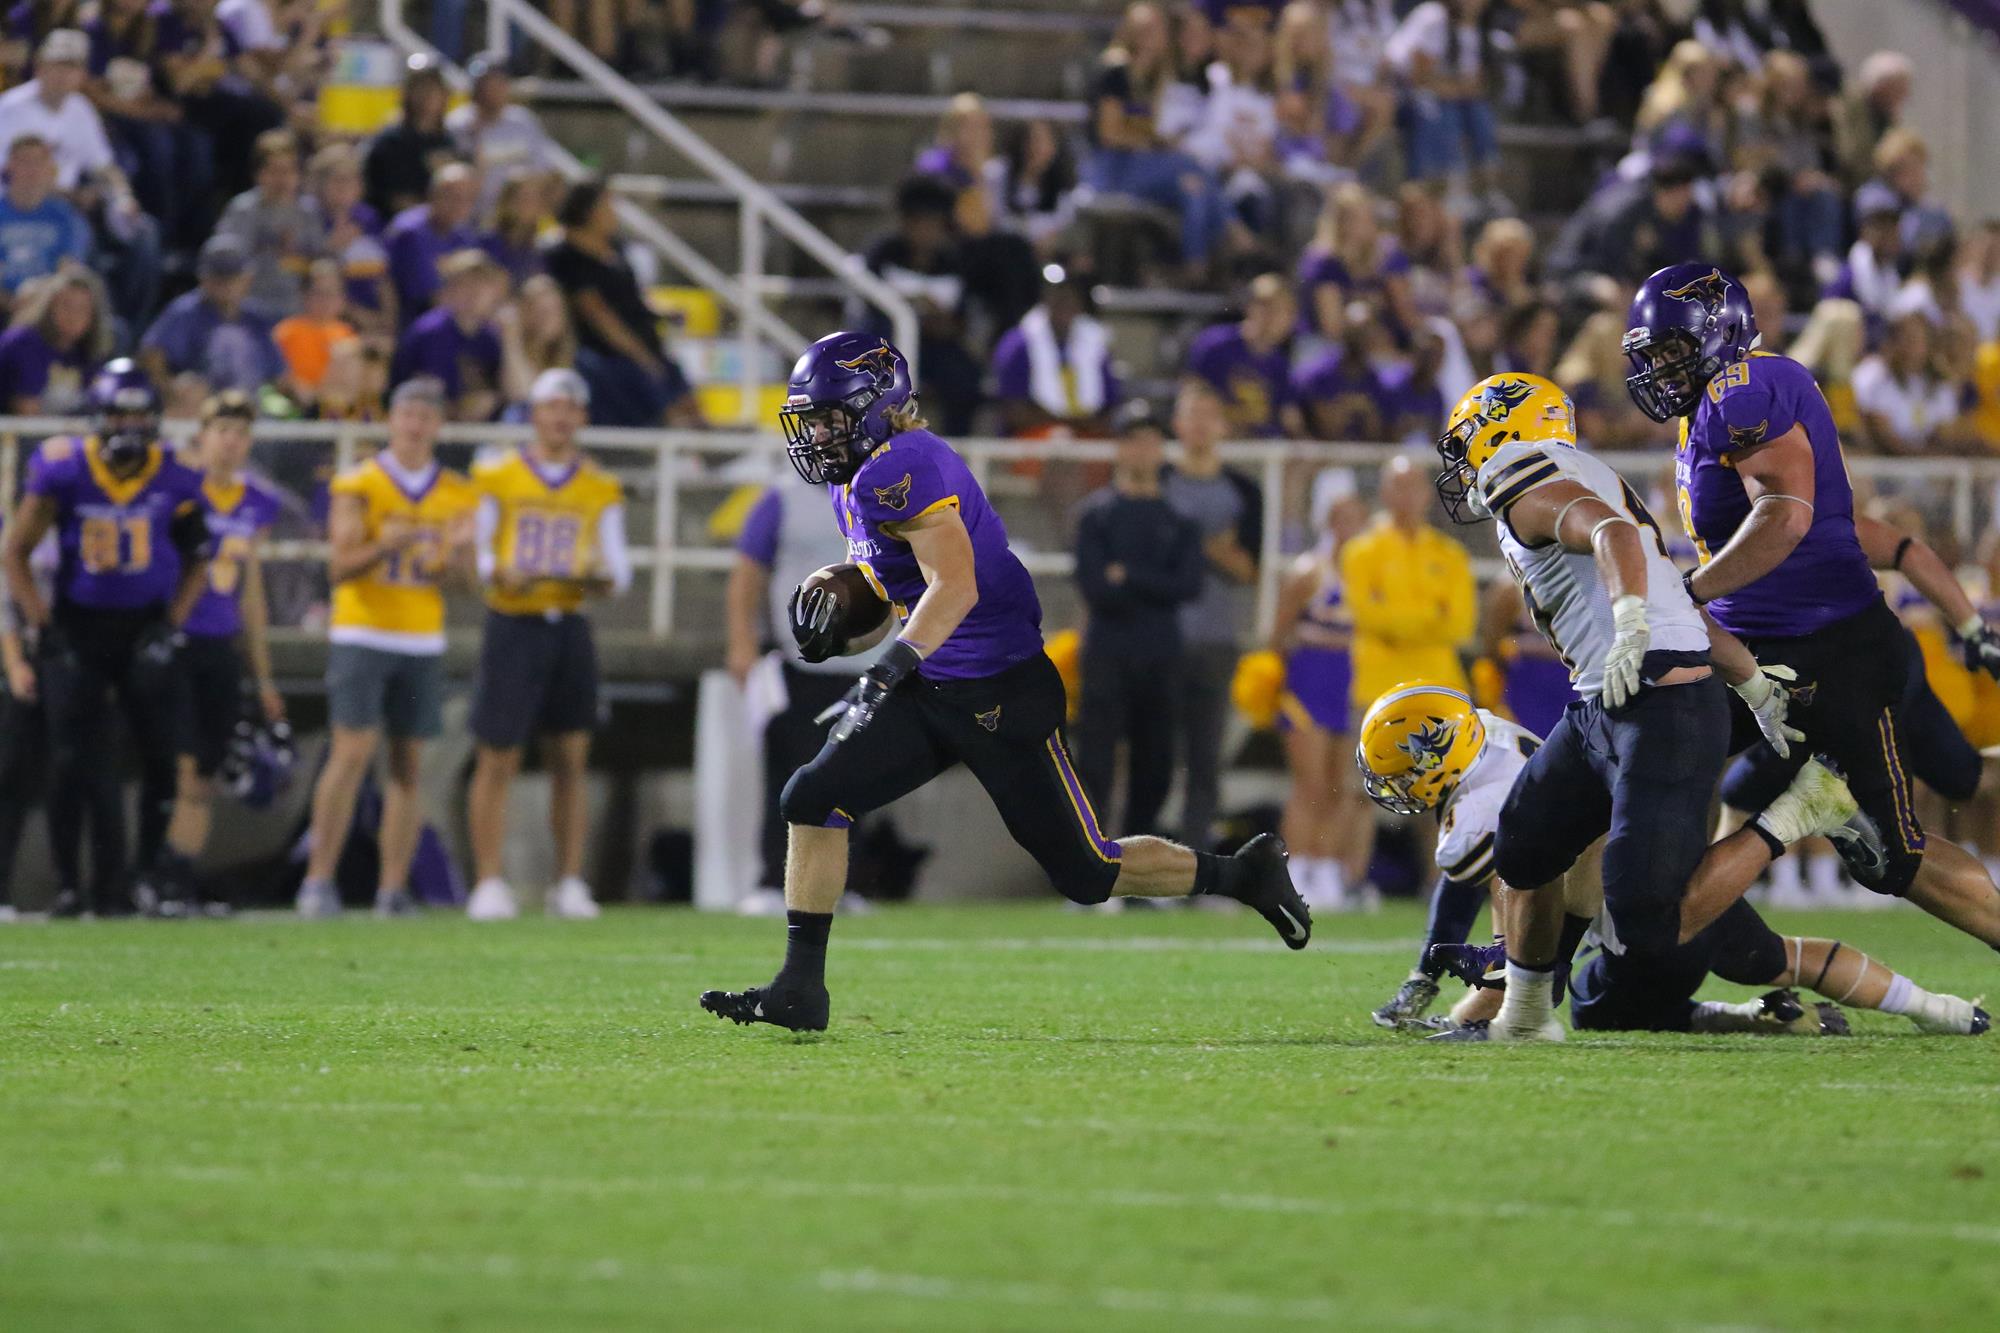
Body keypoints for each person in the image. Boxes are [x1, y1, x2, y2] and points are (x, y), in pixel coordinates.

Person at [699, 332, 1313, 1032]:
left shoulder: (902, 465)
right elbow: (896, 593)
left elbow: (953, 586)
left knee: (1087, 871)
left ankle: (1242, 874)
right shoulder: (858, 479)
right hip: (935, 681)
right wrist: (842, 628)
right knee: (811, 795)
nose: (817, 433)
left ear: (875, 408)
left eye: (830, 417)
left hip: (1001, 689)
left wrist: (884, 668)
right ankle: (799, 989)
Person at [1427, 370, 1876, 1043]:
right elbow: (1674, 591)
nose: (1466, 461)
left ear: (1504, 427)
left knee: (1647, 916)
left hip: (1658, 696)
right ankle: (1523, 1018)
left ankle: (1798, 811)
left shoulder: (1518, 473)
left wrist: (1629, 618)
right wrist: (1752, 683)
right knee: (1524, 843)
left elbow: (1607, 532)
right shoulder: (1587, 469)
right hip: (1611, 695)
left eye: (1470, 440)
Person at [1626, 261, 2000, 956]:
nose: (1664, 368)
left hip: (1832, 651)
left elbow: (1788, 517)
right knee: (1650, 742)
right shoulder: (1711, 408)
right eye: (1656, 354)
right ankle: (1645, 919)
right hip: (1761, 647)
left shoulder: (1745, 388)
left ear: (1719, 335)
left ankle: (1681, 917)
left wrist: (1688, 592)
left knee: (1896, 853)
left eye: (1675, 350)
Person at [1362, 685, 1988, 1038]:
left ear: (1430, 754)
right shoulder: (1491, 738)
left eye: (1398, 773)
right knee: (1770, 959)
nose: (1395, 790)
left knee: (1580, 982)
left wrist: (1459, 1012)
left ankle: (1793, 816)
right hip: (1636, 856)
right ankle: (1939, 1010)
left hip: (1631, 889)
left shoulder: (1476, 815)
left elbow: (1520, 958)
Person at [0, 361, 212, 917]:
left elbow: (199, 557)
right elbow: (15, 552)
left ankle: (143, 879)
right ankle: (71, 885)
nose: (129, 425)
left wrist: (172, 624)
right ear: (97, 415)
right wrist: (40, 625)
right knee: (72, 761)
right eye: (119, 413)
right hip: (79, 625)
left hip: (144, 626)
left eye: (140, 414)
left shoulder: (176, 473)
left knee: (162, 760)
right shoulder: (64, 466)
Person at [293, 377, 477, 918]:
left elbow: (468, 586)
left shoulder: (457, 493)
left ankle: (392, 887)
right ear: (392, 420)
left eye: (426, 416)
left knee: (409, 765)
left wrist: (461, 559)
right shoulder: (360, 484)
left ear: (439, 425)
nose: (417, 426)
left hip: (421, 634)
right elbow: (338, 566)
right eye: (408, 415)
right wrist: (384, 545)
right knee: (350, 754)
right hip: (364, 628)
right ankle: (318, 880)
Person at [462, 370, 629, 922]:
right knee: (498, 755)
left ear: (581, 417)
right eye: (551, 407)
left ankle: (569, 880)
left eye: (569, 408)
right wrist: (505, 571)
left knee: (572, 758)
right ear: (534, 414)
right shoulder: (499, 476)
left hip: (569, 623)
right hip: (514, 622)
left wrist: (598, 576)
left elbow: (618, 568)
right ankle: (488, 880)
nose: (560, 418)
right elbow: (482, 557)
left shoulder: (598, 485)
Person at [1072, 399, 1204, 839]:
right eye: (1133, 440)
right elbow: (1095, 586)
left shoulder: (1180, 517)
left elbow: (1188, 586)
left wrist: (1127, 575)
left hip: (1160, 651)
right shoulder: (1096, 513)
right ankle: (1090, 859)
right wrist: (1150, 584)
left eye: (1151, 440)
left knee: (1157, 763)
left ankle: (1138, 857)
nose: (1143, 450)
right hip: (1109, 649)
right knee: (1095, 761)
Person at [175, 390, 284, 910]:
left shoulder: (256, 502)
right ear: (202, 435)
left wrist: (262, 677)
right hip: (175, 642)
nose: (232, 442)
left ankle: (177, 879)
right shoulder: (179, 487)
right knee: (174, 768)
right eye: (223, 430)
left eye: (241, 433)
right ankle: (153, 878)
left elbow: (251, 592)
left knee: (203, 777)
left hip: (219, 645)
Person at [1163, 376, 1261, 852]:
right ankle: (1126, 858)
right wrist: (1212, 545)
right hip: (1159, 635)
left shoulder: (1243, 490)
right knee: (1150, 753)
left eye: (1208, 415)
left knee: (1205, 758)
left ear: (1222, 425)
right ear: (1177, 424)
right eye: (1191, 415)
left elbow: (1247, 569)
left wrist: (1187, 542)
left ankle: (1194, 860)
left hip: (1217, 637)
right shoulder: (1158, 481)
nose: (1200, 426)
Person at [1266, 466, 1370, 911]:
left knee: (1337, 783)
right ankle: (1294, 866)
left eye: (1358, 518)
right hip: (1310, 679)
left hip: (1351, 679)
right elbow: (1278, 634)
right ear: (1328, 522)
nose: (1353, 527)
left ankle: (1327, 868)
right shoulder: (1309, 571)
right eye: (1343, 518)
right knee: (1307, 782)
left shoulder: (1370, 573)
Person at [545, 178, 698, 429]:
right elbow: (597, 313)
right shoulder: (566, 255)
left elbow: (632, 295)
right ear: (588, 211)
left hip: (645, 340)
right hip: (608, 353)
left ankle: (707, 442)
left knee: (681, 389)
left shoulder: (617, 248)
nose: (614, 212)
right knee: (657, 391)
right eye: (607, 205)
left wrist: (660, 314)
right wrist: (641, 356)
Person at [137, 234, 283, 393]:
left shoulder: (256, 317)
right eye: (218, 277)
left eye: (232, 277)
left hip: (248, 407)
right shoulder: (186, 311)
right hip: (201, 410)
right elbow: (151, 354)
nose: (225, 285)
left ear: (247, 279)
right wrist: (171, 390)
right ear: (203, 278)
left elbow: (279, 373)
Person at [989, 264, 1122, 438]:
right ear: (1044, 298)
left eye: (1071, 294)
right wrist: (1069, 424)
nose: (1065, 301)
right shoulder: (1019, 343)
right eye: (1058, 294)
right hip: (1033, 438)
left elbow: (1109, 407)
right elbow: (1014, 412)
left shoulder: (1096, 342)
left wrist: (1077, 427)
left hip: (1086, 437)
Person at [214, 128, 326, 318]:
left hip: (298, 309)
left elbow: (318, 260)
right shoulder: (243, 209)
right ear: (259, 174)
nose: (282, 179)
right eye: (274, 171)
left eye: (289, 171)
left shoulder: (308, 211)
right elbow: (230, 264)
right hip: (251, 307)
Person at [389, 248, 506, 422]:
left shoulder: (492, 336)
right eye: (465, 283)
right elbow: (426, 394)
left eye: (481, 284)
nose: (474, 292)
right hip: (426, 428)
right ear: (450, 288)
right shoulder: (431, 332)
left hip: (478, 434)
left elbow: (511, 392)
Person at [1184, 272, 1305, 438]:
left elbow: (1289, 420)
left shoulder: (1279, 364)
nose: (1272, 317)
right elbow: (1191, 398)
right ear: (1249, 307)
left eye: (1281, 310)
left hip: (1260, 451)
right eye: (1265, 306)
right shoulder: (1215, 345)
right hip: (1215, 443)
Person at [446, 57, 559, 218]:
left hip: (515, 220)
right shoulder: (457, 124)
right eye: (486, 84)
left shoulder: (523, 121)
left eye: (499, 83)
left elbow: (543, 169)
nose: (493, 90)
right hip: (470, 218)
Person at [0, 268, 111, 414]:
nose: (73, 316)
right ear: (48, 307)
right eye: (66, 305)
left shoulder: (89, 353)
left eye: (82, 309)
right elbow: (27, 414)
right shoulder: (23, 343)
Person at [0, 135, 89, 316]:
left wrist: (39, 303)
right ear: (8, 168)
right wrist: (11, 303)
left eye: (39, 162)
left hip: (49, 311)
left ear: (51, 170)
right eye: (24, 161)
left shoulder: (67, 218)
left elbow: (69, 270)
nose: (32, 170)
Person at [383, 163, 480, 323]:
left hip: (453, 321)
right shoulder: (409, 232)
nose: (461, 205)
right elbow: (426, 295)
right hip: (412, 323)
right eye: (453, 196)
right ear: (433, 195)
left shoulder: (464, 235)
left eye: (468, 198)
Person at [362, 54, 455, 220]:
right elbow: (395, 199)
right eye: (419, 87)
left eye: (433, 88)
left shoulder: (448, 141)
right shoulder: (390, 142)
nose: (426, 95)